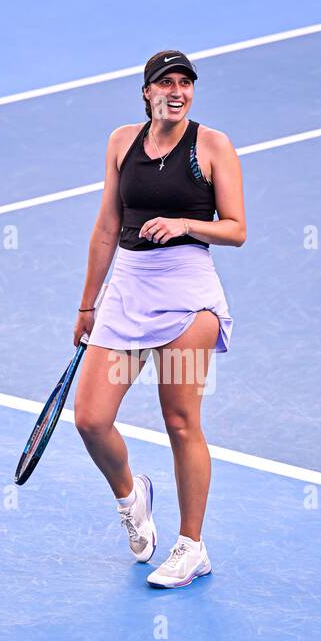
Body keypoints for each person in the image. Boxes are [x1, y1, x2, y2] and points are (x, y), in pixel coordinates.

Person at [72, 49, 246, 589]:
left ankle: (191, 546)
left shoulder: (213, 146)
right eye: (165, 83)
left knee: (180, 420)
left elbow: (236, 228)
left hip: (188, 297)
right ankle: (132, 496)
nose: (177, 91)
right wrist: (87, 304)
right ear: (147, 92)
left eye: (185, 83)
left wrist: (184, 224)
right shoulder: (122, 142)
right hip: (127, 291)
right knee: (91, 418)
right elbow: (106, 225)